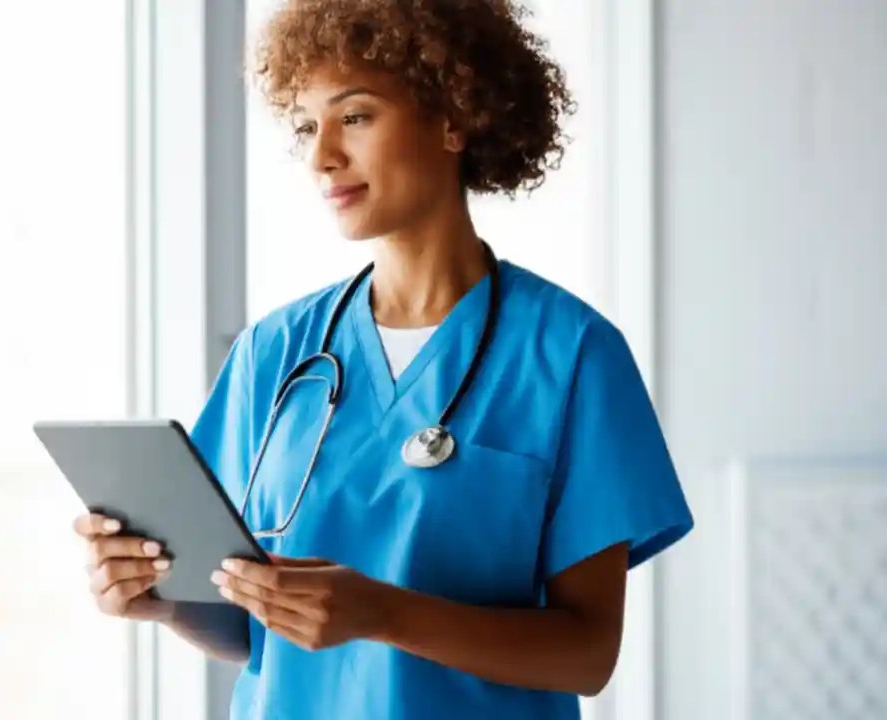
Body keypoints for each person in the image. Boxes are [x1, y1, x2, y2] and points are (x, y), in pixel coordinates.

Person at [73, 1, 694, 717]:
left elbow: (587, 655)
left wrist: (384, 613)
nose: (321, 155)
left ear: (454, 114)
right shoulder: (273, 354)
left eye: (356, 116)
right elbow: (251, 626)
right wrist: (157, 599)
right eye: (307, 125)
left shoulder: (572, 354)